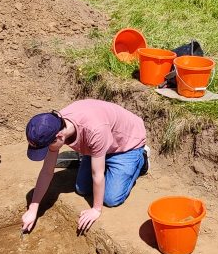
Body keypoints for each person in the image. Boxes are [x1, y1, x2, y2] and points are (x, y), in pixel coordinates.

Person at [22, 100, 148, 234]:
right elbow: (47, 171)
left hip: (126, 145)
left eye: (46, 148)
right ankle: (99, 158)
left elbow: (97, 175)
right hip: (99, 143)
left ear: (59, 136)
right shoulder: (55, 125)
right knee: (81, 189)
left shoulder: (94, 130)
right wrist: (33, 208)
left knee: (110, 198)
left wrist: (96, 209)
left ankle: (142, 160)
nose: (47, 151)